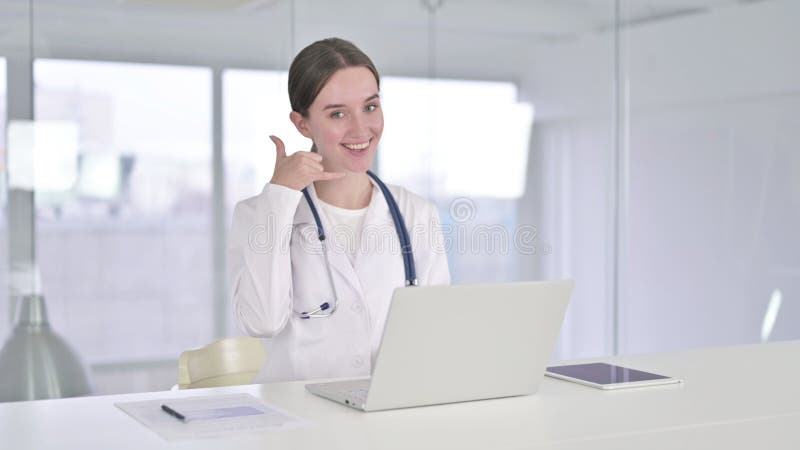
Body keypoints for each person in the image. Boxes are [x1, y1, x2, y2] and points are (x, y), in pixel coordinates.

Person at [227, 37, 450, 382]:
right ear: (302, 124)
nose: (361, 129)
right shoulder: (259, 214)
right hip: (298, 424)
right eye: (337, 114)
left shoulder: (417, 214)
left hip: (387, 420)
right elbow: (263, 321)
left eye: (370, 107)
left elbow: (435, 335)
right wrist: (280, 197)